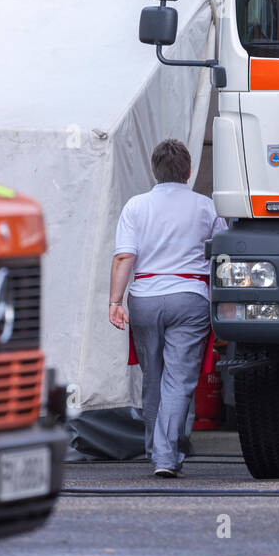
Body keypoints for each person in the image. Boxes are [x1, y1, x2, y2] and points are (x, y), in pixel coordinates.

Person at [109, 139, 225, 477]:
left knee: (154, 378)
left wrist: (115, 301)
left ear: (154, 171)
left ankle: (157, 448)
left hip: (144, 297)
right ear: (189, 172)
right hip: (190, 297)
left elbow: (123, 257)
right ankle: (165, 455)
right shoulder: (207, 206)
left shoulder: (136, 206)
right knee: (178, 381)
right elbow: (219, 256)